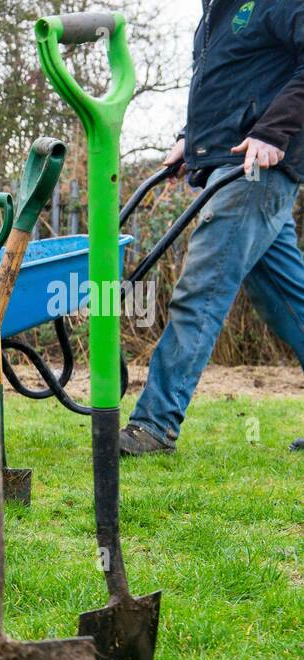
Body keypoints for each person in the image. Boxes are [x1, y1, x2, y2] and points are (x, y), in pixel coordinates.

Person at [121, 0, 304, 454]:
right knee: (287, 300)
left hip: (255, 167)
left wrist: (272, 129)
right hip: (229, 163)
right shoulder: (215, 12)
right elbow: (229, 84)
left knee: (200, 290)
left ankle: (154, 424)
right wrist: (190, 139)